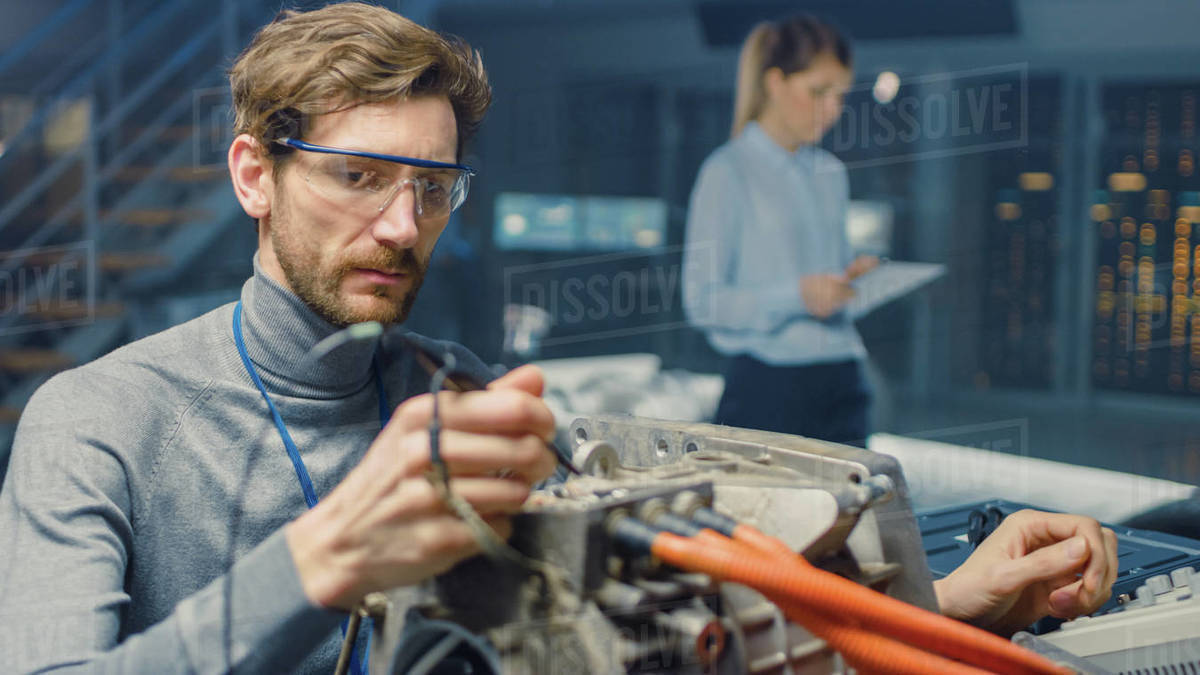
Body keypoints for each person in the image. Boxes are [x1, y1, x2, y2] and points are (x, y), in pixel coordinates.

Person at [0, 4, 1116, 673]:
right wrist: (321, 560)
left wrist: (956, 600)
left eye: (433, 188)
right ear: (255, 175)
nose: (402, 225)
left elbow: (697, 619)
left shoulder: (464, 398)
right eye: (357, 177)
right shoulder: (97, 421)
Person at [683, 15, 880, 445]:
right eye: (818, 92)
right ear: (774, 83)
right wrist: (798, 296)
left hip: (844, 381)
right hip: (769, 391)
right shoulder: (727, 172)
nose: (832, 110)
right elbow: (702, 303)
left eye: (841, 96)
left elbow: (832, 280)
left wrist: (851, 282)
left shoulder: (831, 174)